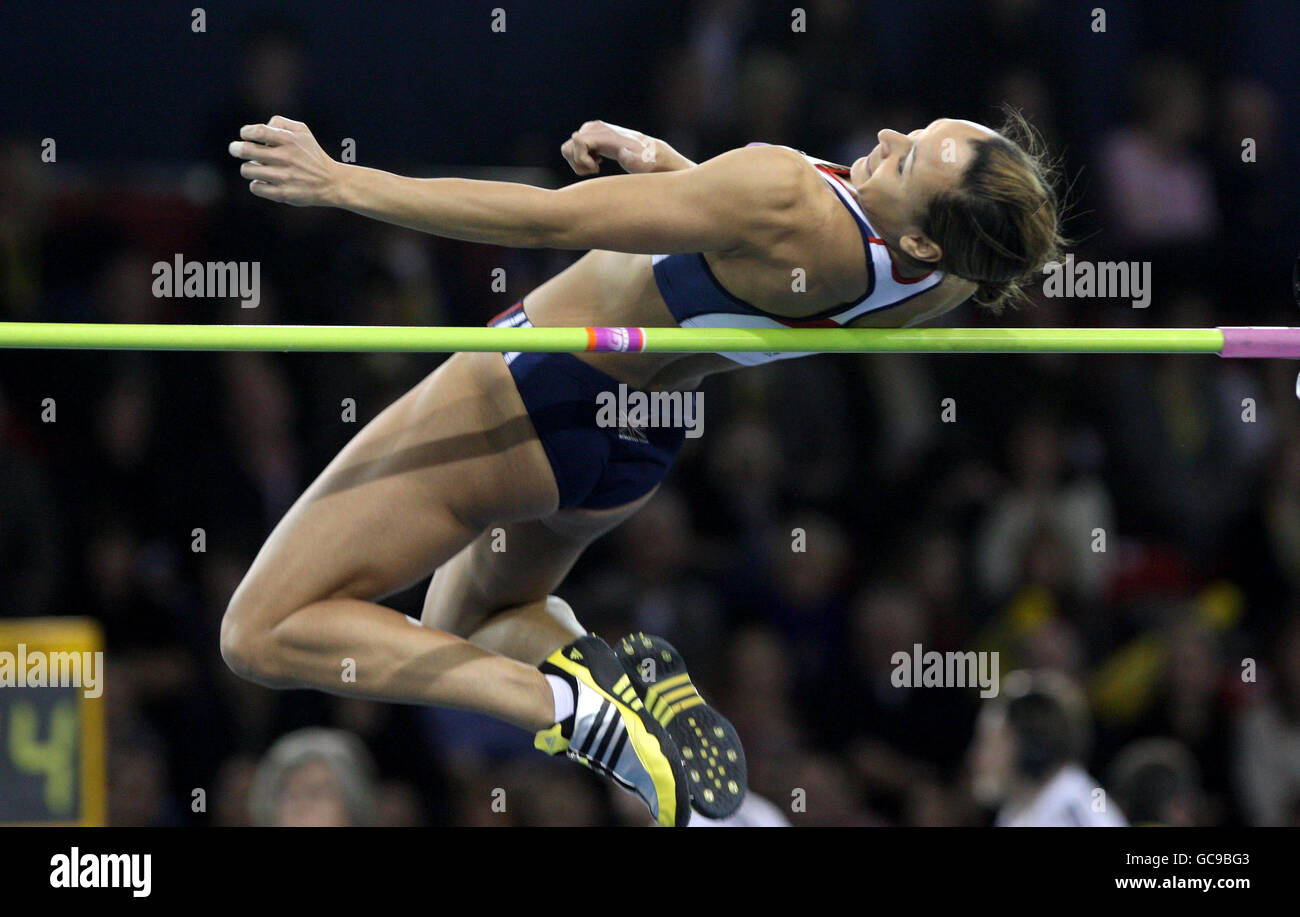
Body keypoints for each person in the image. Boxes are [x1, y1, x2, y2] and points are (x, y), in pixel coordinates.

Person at [221, 114, 1064, 826]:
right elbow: (750, 258)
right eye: (916, 130)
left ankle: (570, 708)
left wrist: (342, 182)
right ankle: (597, 682)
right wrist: (668, 171)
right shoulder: (940, 280)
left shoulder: (782, 190)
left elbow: (547, 220)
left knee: (259, 632)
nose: (888, 135)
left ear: (922, 229)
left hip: (530, 395)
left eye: (910, 154)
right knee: (468, 619)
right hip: (629, 451)